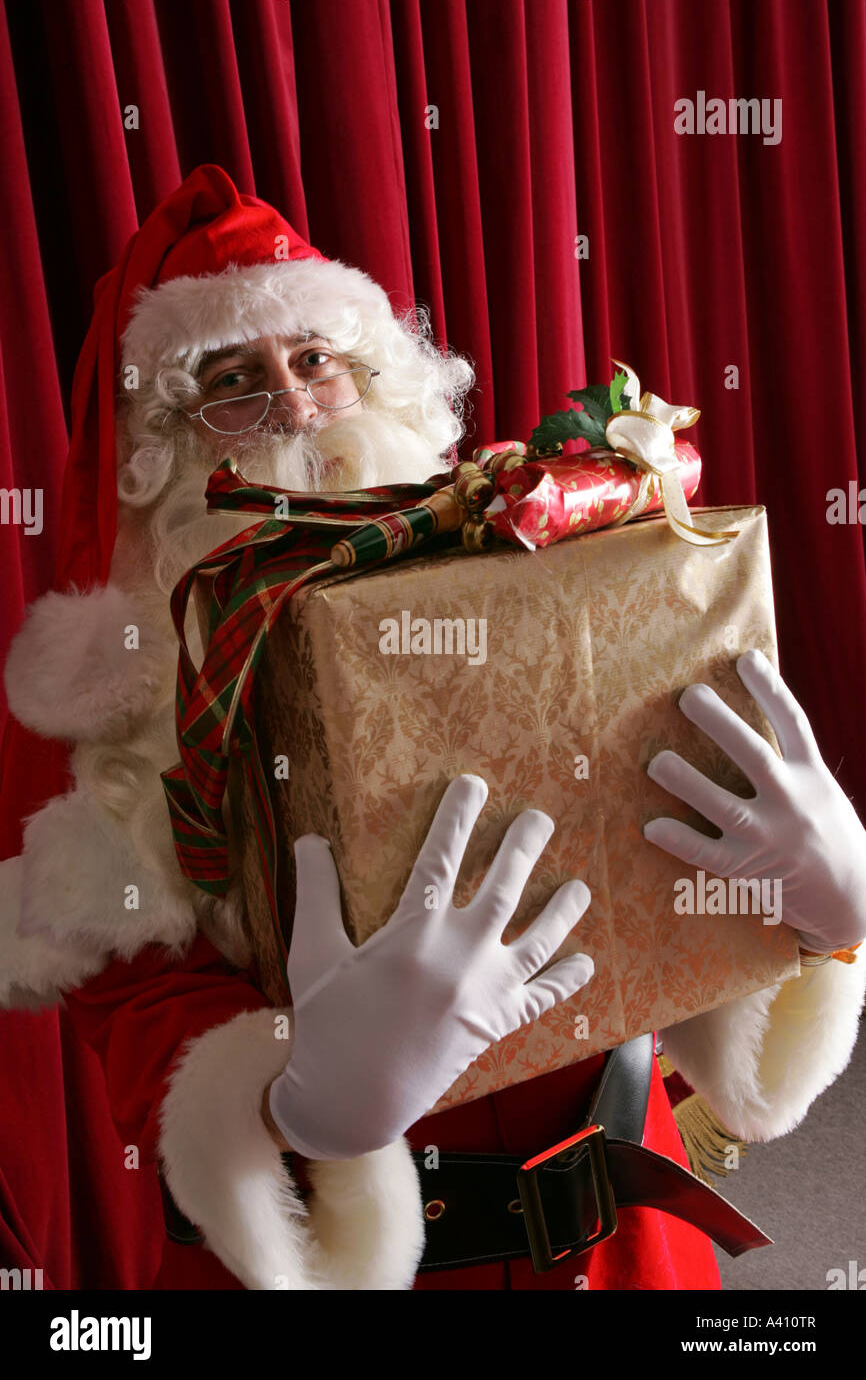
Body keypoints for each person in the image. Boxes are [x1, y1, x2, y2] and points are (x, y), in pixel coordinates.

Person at [1, 165, 864, 1291]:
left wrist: (821, 921)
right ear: (160, 440)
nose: (297, 406)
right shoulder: (108, 699)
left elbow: (641, 854)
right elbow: (131, 999)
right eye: (234, 379)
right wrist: (302, 1090)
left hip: (622, 1245)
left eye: (314, 360)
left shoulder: (515, 557)